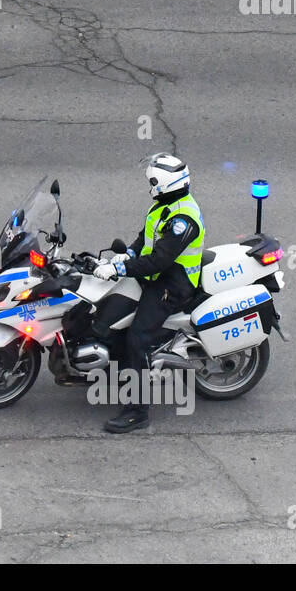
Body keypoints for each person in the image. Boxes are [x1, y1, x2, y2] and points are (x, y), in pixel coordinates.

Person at [93, 153, 205, 433]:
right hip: (153, 276)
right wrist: (126, 255)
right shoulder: (165, 206)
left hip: (172, 284)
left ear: (164, 184)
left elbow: (159, 261)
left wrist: (121, 269)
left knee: (138, 338)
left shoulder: (183, 219)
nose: (150, 187)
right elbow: (146, 237)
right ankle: (119, 370)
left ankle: (137, 411)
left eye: (153, 182)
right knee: (111, 314)